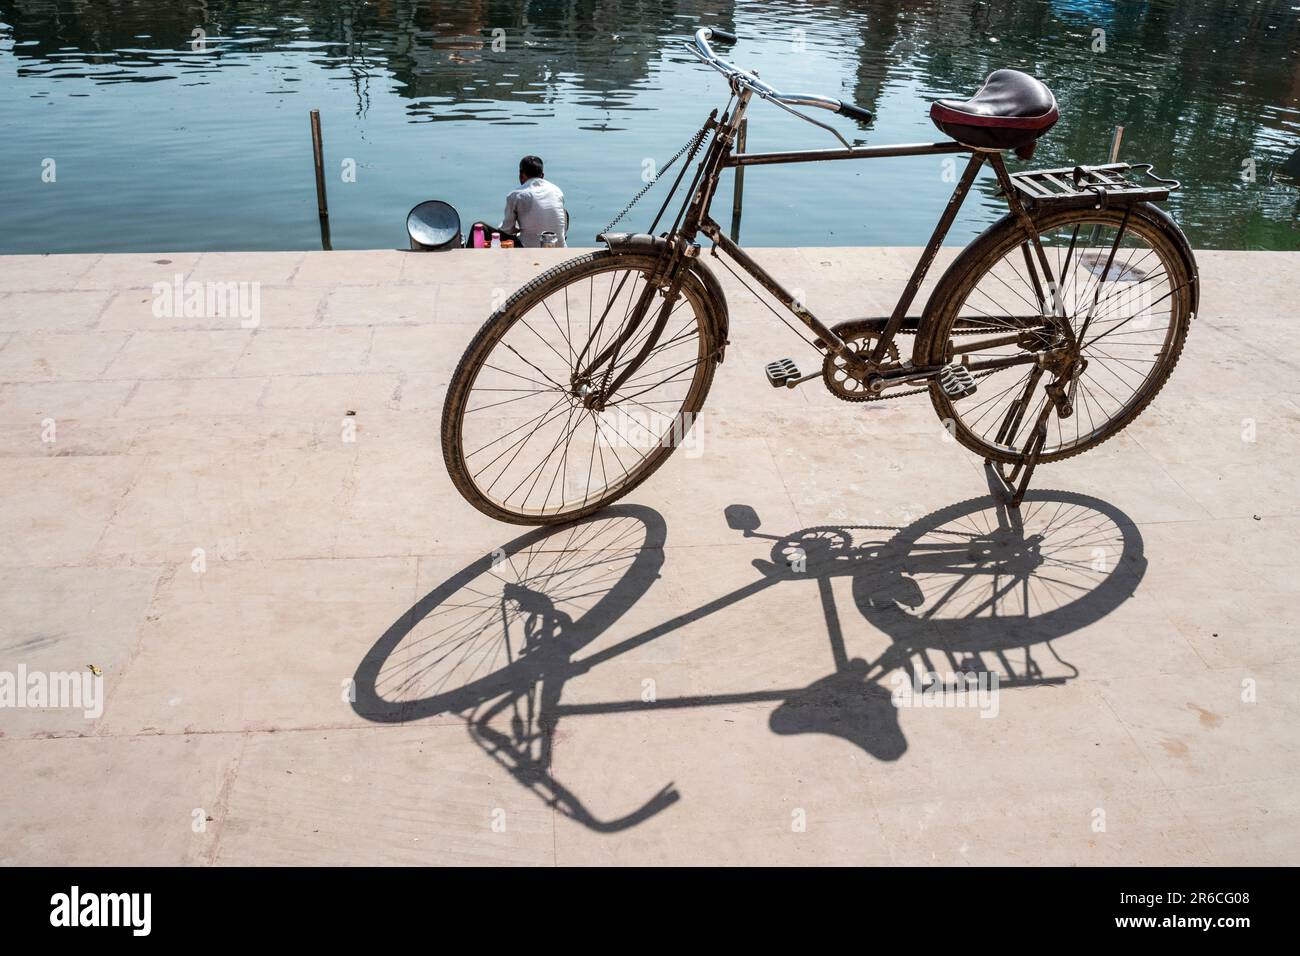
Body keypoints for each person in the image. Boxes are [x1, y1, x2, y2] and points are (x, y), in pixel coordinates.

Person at [466, 156, 567, 248]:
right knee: (563, 212)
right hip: (558, 246)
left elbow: (507, 230)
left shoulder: (516, 195)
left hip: (527, 248)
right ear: (542, 175)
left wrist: (516, 229)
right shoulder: (557, 191)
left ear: (521, 175)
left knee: (479, 226)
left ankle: (468, 260)